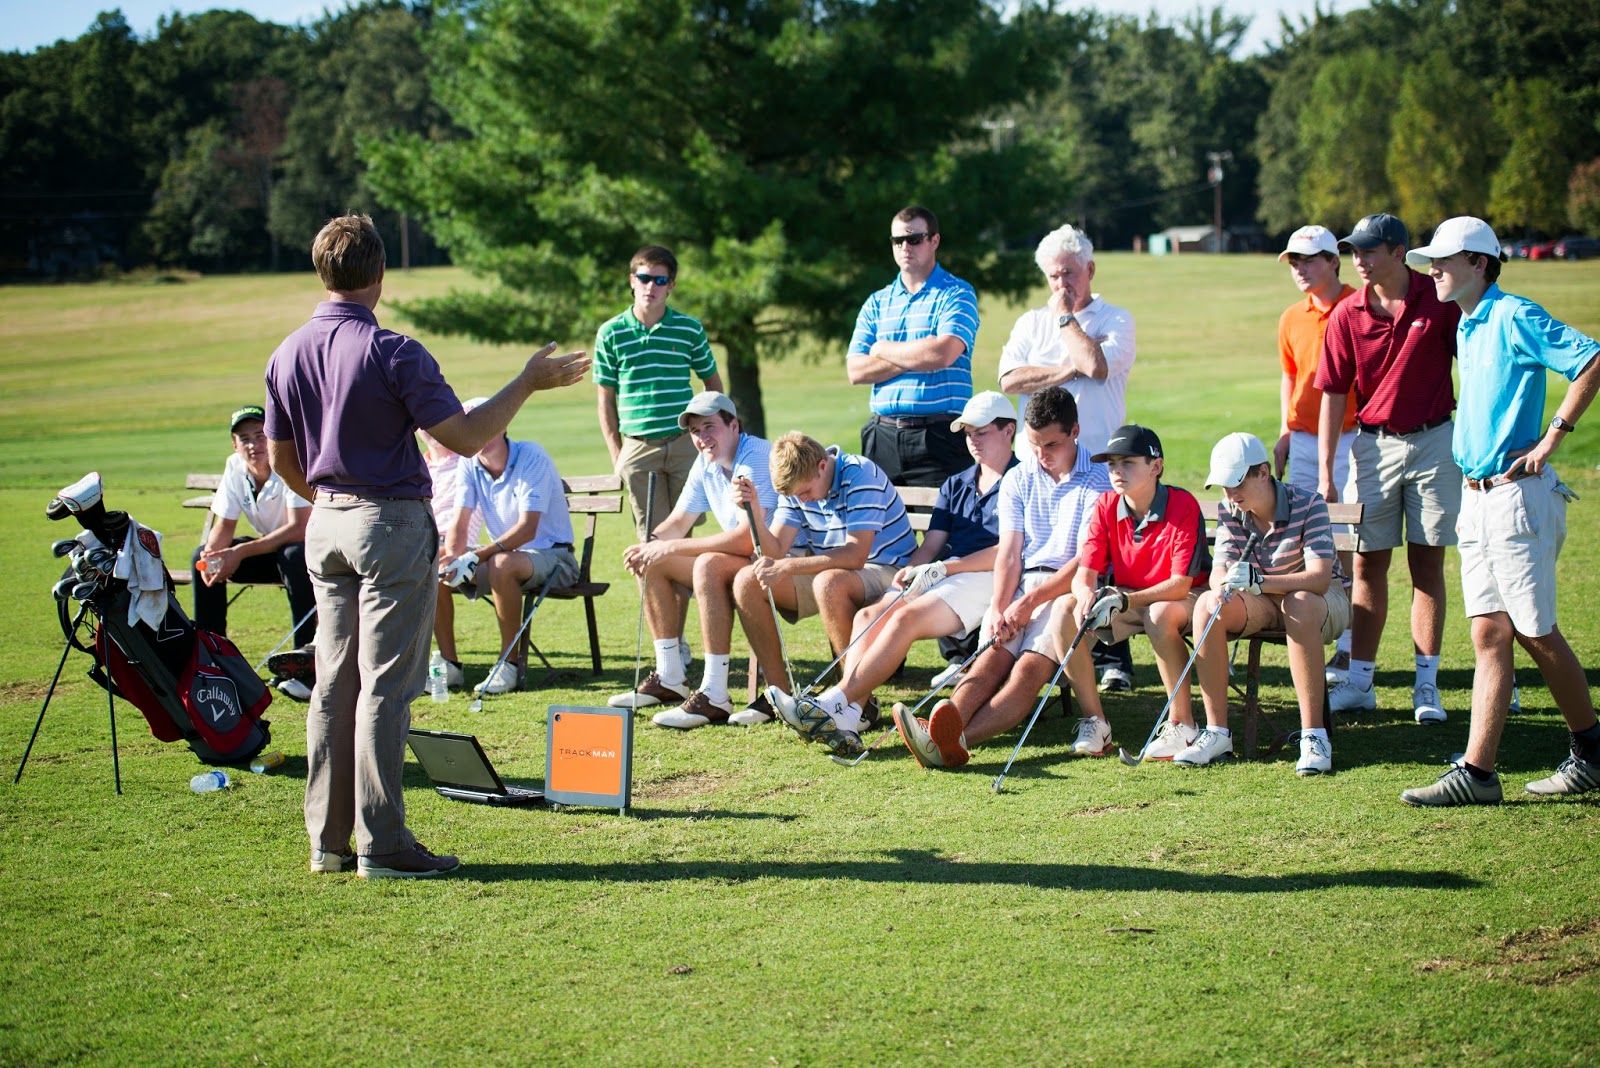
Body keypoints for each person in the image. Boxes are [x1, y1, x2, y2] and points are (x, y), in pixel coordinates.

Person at [264, 213, 589, 879]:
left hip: (325, 523)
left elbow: (279, 460)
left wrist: (328, 497)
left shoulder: (286, 352)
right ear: (379, 277)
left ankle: (327, 843)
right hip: (388, 523)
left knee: (334, 685)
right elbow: (468, 438)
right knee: (385, 687)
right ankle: (381, 845)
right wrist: (527, 380)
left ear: (322, 272)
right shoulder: (395, 351)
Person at [1397, 217, 1600, 806]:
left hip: (1515, 496)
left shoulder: (1513, 314)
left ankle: (1591, 749)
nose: (1432, 270)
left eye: (1443, 260)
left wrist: (1551, 439)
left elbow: (1589, 359)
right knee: (1488, 630)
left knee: (1534, 632)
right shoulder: (1465, 323)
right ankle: (1479, 773)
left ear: (1480, 263)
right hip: (1476, 495)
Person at [893, 387, 1110, 769]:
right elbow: (1009, 553)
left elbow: (1084, 561)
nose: (1041, 456)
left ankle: (950, 742)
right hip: (1021, 584)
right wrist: (998, 606)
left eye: (1051, 445)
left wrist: (1027, 603)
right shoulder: (1020, 477)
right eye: (1034, 444)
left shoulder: (1099, 480)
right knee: (989, 660)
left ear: (1075, 431)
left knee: (1027, 671)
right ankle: (941, 737)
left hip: (1071, 591)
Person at [1314, 212, 1461, 725]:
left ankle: (1427, 685)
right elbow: (1333, 392)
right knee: (1366, 565)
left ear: (1399, 252)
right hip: (1373, 449)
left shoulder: (1440, 301)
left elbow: (1475, 363)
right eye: (1355, 250)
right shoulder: (1347, 313)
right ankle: (1360, 682)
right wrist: (1329, 469)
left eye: (1370, 250)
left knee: (1427, 563)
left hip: (1436, 441)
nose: (1359, 260)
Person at [800, 391, 1018, 733]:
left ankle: (835, 701)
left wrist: (947, 568)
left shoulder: (1020, 481)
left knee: (904, 618)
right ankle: (852, 712)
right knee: (869, 615)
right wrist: (912, 569)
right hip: (948, 573)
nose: (973, 441)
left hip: (991, 576)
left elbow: (1008, 551)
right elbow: (931, 545)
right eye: (968, 433)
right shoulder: (956, 483)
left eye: (982, 432)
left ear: (1009, 430)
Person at [996, 223, 1139, 694]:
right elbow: (1009, 381)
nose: (1063, 285)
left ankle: (1113, 655)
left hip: (1101, 465)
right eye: (1055, 277)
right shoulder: (1026, 322)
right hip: (1038, 468)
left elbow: (1097, 366)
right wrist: (1062, 371)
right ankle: (1020, 647)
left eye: (1071, 274)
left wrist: (1066, 321)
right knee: (1043, 554)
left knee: (1099, 558)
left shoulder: (1115, 318)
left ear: (1091, 270)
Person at [731, 432, 918, 750]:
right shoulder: (798, 485)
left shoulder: (861, 474)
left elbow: (856, 556)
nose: (803, 500)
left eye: (805, 493)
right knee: (747, 581)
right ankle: (783, 699)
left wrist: (789, 567)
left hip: (889, 573)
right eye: (797, 496)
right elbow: (775, 548)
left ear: (821, 465)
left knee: (828, 582)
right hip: (833, 573)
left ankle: (856, 704)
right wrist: (754, 510)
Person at [607, 392, 781, 728]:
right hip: (746, 562)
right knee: (653, 560)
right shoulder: (706, 462)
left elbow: (748, 539)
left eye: (709, 427)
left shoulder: (754, 456)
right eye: (695, 431)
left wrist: (672, 548)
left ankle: (715, 692)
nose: (702, 438)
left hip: (777, 564)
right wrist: (651, 546)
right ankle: (670, 676)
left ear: (734, 425)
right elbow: (678, 522)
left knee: (707, 563)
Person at [1187, 433, 1350, 774]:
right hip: (1262, 599)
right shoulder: (1231, 509)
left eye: (1237, 483)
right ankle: (1217, 732)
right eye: (1224, 486)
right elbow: (1221, 568)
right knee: (1206, 605)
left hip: (1319, 599)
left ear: (1263, 472)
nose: (1231, 494)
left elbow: (1319, 577)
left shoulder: (1309, 502)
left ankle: (1314, 736)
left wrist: (1260, 582)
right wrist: (1220, 587)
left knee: (1300, 603)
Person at [1046, 424, 1209, 762]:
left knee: (1160, 612)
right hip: (1130, 598)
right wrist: (1085, 594)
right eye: (1112, 464)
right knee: (1064, 608)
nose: (1117, 472)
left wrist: (1124, 600)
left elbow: (1181, 583)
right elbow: (1085, 572)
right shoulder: (1106, 505)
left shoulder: (1183, 504)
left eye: (1127, 463)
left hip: (1187, 598)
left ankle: (1183, 725)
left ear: (1156, 466)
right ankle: (1095, 722)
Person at [435, 418, 579, 696]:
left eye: (484, 425)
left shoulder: (531, 455)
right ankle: (449, 664)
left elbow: (528, 529)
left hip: (556, 558)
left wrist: (477, 556)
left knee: (501, 563)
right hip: (505, 557)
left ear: (502, 426)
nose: (478, 434)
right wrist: (452, 557)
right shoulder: (469, 462)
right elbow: (460, 522)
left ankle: (508, 665)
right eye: (471, 429)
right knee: (435, 563)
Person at [1273, 224, 1357, 680]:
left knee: (1353, 543)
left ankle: (1348, 648)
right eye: (1295, 262)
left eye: (1309, 260)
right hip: (1304, 439)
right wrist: (1285, 429)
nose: (1300, 269)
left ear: (1333, 261)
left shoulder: (1359, 306)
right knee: (1312, 543)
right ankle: (1314, 635)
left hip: (1356, 437)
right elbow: (1290, 376)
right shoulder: (1291, 316)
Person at [595, 245, 724, 538]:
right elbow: (605, 400)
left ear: (671, 286)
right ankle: (653, 587)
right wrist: (617, 454)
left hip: (683, 443)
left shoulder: (688, 329)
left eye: (660, 280)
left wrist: (707, 433)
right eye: (644, 278)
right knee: (651, 537)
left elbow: (713, 383)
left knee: (684, 533)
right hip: (638, 445)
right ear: (632, 281)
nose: (650, 286)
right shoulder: (611, 332)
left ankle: (688, 587)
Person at [191, 404, 317, 700]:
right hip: (270, 553)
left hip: (306, 554)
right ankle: (211, 656)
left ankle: (304, 663)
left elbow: (299, 528)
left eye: (261, 435)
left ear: (273, 437)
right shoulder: (234, 466)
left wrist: (239, 553)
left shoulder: (291, 461)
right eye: (245, 438)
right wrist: (212, 556)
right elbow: (224, 525)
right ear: (235, 445)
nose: (253, 445)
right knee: (203, 556)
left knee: (293, 554)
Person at [847, 205, 979, 488]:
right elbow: (855, 370)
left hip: (939, 437)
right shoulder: (877, 302)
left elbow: (942, 353)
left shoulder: (958, 293)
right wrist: (920, 353)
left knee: (942, 531)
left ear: (934, 241)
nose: (905, 247)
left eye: (915, 239)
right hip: (881, 437)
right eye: (898, 241)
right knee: (878, 531)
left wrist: (881, 349)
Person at [419, 419, 482, 691]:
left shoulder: (466, 461)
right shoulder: (419, 463)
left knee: (428, 567)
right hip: (420, 544)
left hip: (459, 547)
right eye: (423, 424)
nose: (429, 429)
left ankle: (450, 664)